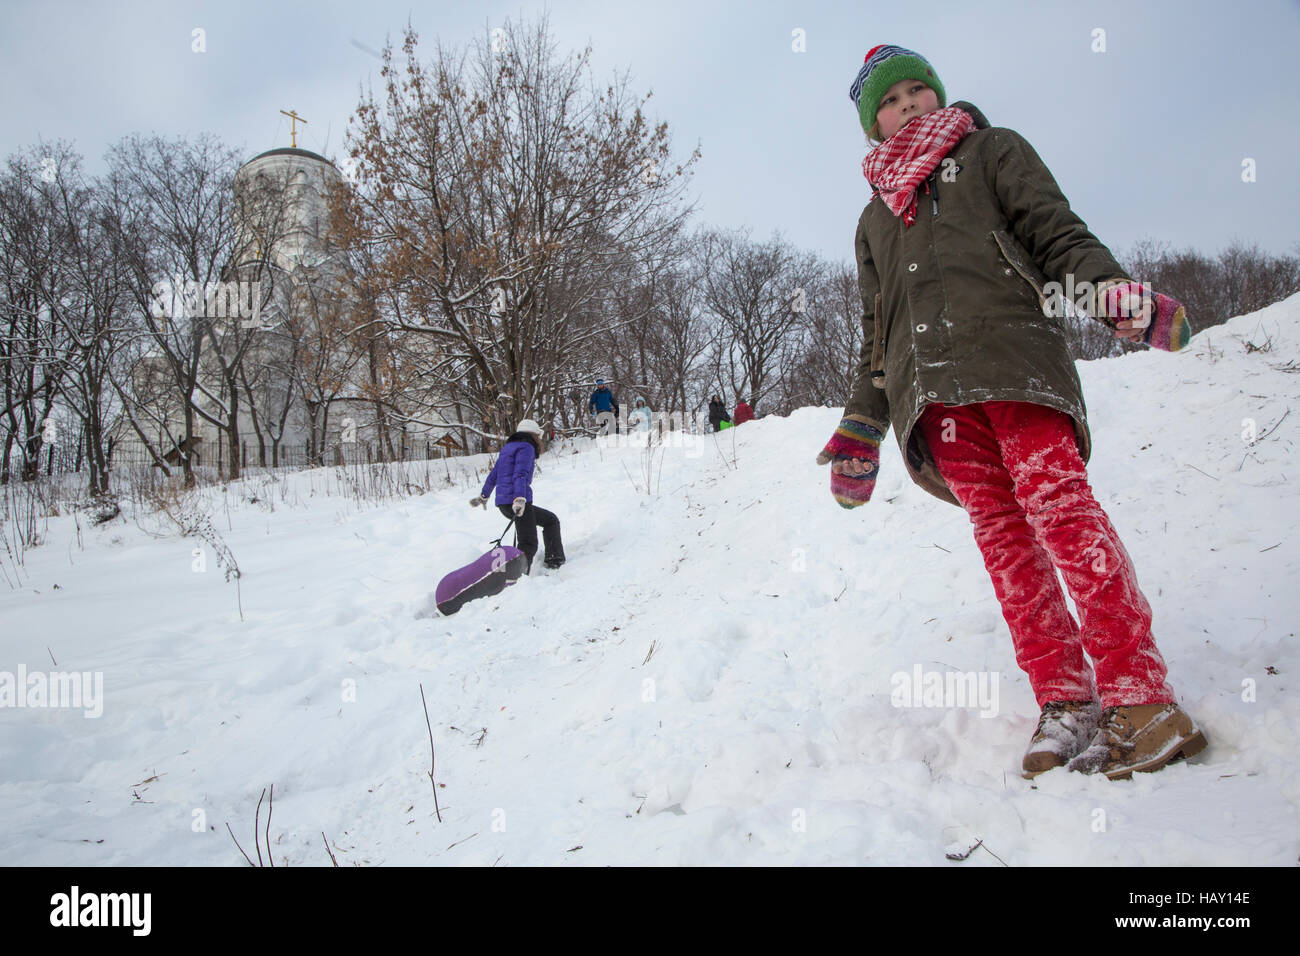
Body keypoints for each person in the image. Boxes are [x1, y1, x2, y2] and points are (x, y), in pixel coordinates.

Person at [817, 45, 1202, 781]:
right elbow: (878, 333)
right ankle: (1064, 698)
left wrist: (1110, 294)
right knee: (1003, 541)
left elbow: (1056, 233)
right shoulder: (874, 220)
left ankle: (1139, 694)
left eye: (916, 90)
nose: (909, 106)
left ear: (937, 93)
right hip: (934, 400)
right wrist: (861, 427)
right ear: (874, 127)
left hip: (1013, 363)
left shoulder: (992, 151)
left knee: (1061, 511)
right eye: (891, 102)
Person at [471, 418, 565, 572]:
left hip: (505, 503)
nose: (540, 439)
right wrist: (520, 499)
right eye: (538, 436)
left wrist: (484, 496)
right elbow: (520, 474)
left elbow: (494, 474)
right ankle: (518, 578)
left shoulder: (508, 448)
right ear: (533, 435)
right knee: (528, 542)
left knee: (550, 520)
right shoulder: (526, 447)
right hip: (517, 502)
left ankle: (554, 559)